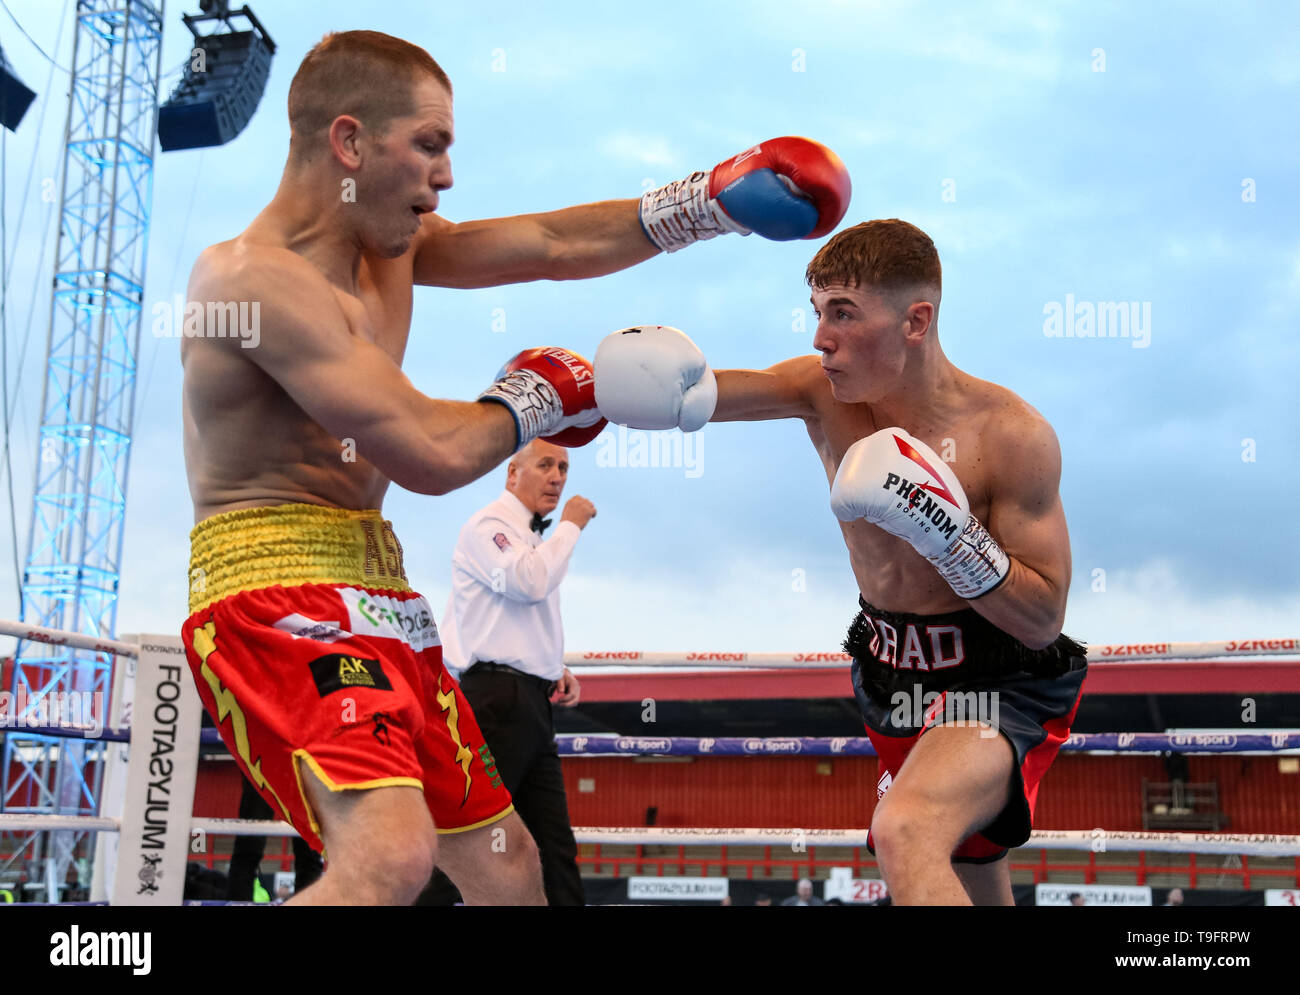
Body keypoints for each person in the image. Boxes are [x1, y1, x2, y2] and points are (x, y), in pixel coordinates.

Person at [179, 29, 850, 906]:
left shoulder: (391, 249)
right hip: (272, 597)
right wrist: (532, 399)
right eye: (429, 145)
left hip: (381, 592)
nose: (445, 176)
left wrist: (709, 202)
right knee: (388, 859)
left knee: (507, 869)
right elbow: (430, 449)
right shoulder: (248, 283)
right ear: (348, 142)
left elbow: (548, 241)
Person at [595, 219, 1087, 907]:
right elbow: (693, 394)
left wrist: (950, 534)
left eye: (844, 313)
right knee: (970, 872)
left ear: (917, 321)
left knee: (907, 829)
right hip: (892, 673)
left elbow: (1043, 619)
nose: (821, 336)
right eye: (818, 311)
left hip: (997, 678)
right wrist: (584, 389)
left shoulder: (1010, 435)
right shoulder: (821, 391)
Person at [418, 440, 595, 906]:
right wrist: (572, 526)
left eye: (563, 467)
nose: (557, 476)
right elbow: (528, 583)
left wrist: (551, 666)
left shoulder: (533, 539)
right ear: (512, 473)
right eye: (545, 464)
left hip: (530, 703)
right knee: (466, 838)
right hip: (496, 701)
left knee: (554, 848)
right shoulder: (488, 526)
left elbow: (508, 619)